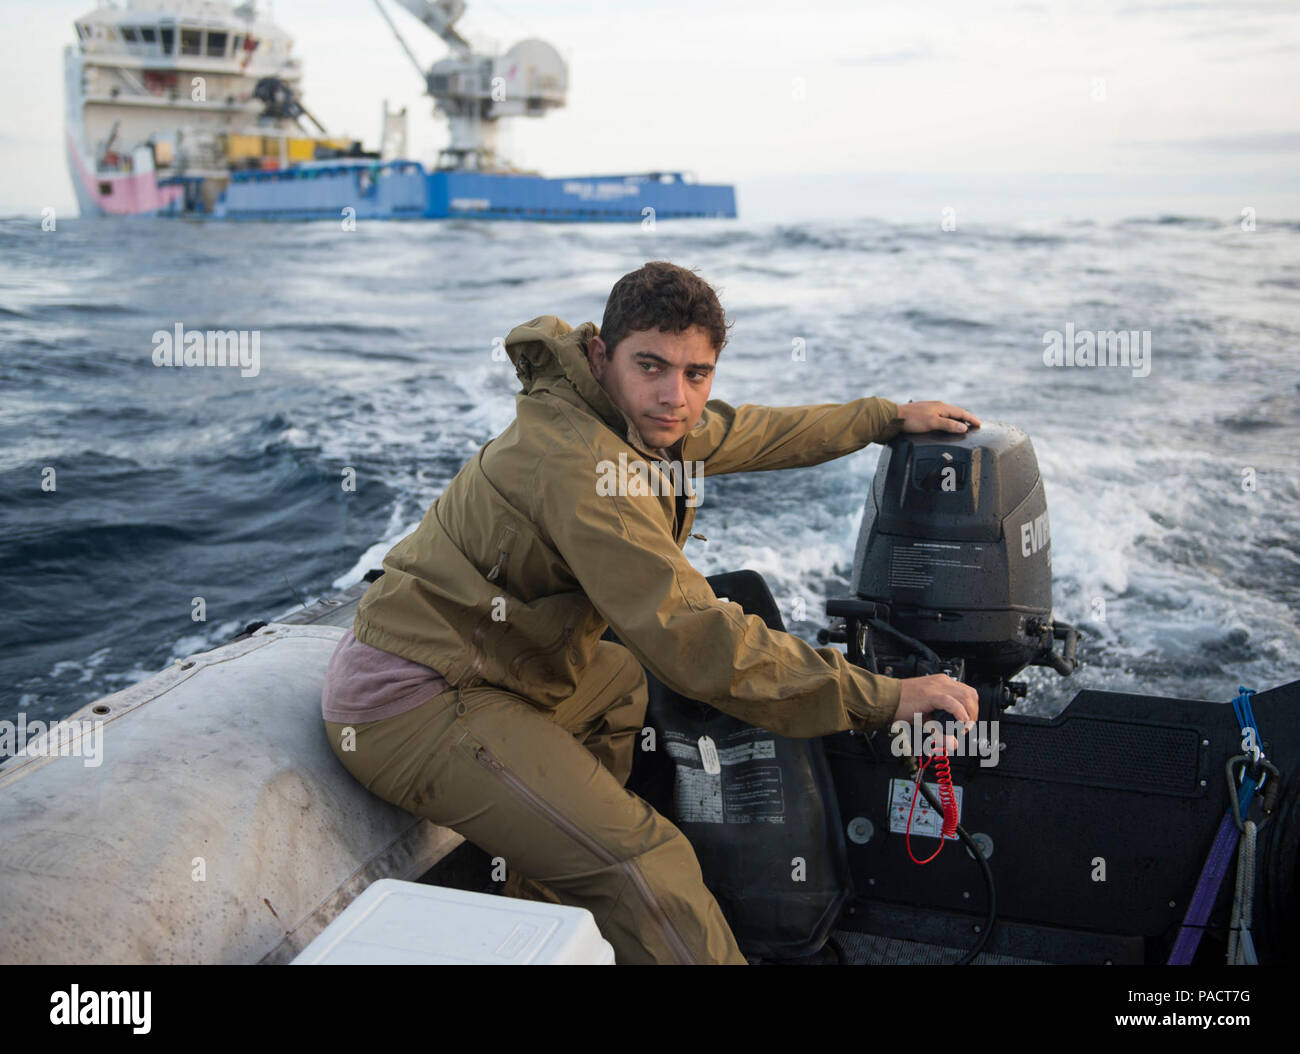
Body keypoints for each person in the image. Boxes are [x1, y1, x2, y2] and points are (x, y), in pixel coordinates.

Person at [321, 260, 980, 964]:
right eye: (652, 366)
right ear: (603, 357)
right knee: (649, 862)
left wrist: (883, 419)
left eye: (697, 374)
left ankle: (554, 900)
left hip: (490, 662)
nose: (676, 397)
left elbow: (750, 432)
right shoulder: (580, 462)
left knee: (619, 683)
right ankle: (606, 878)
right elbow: (698, 642)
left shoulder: (626, 414)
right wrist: (885, 698)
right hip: (416, 698)